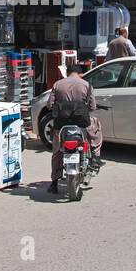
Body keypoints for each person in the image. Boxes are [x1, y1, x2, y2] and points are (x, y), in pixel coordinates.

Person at [46, 63, 102, 194]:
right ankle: (95, 157)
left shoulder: (58, 84)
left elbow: (49, 104)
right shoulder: (87, 85)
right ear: (80, 73)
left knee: (57, 152)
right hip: (81, 123)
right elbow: (92, 107)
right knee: (96, 129)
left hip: (61, 124)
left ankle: (54, 183)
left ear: (68, 72)